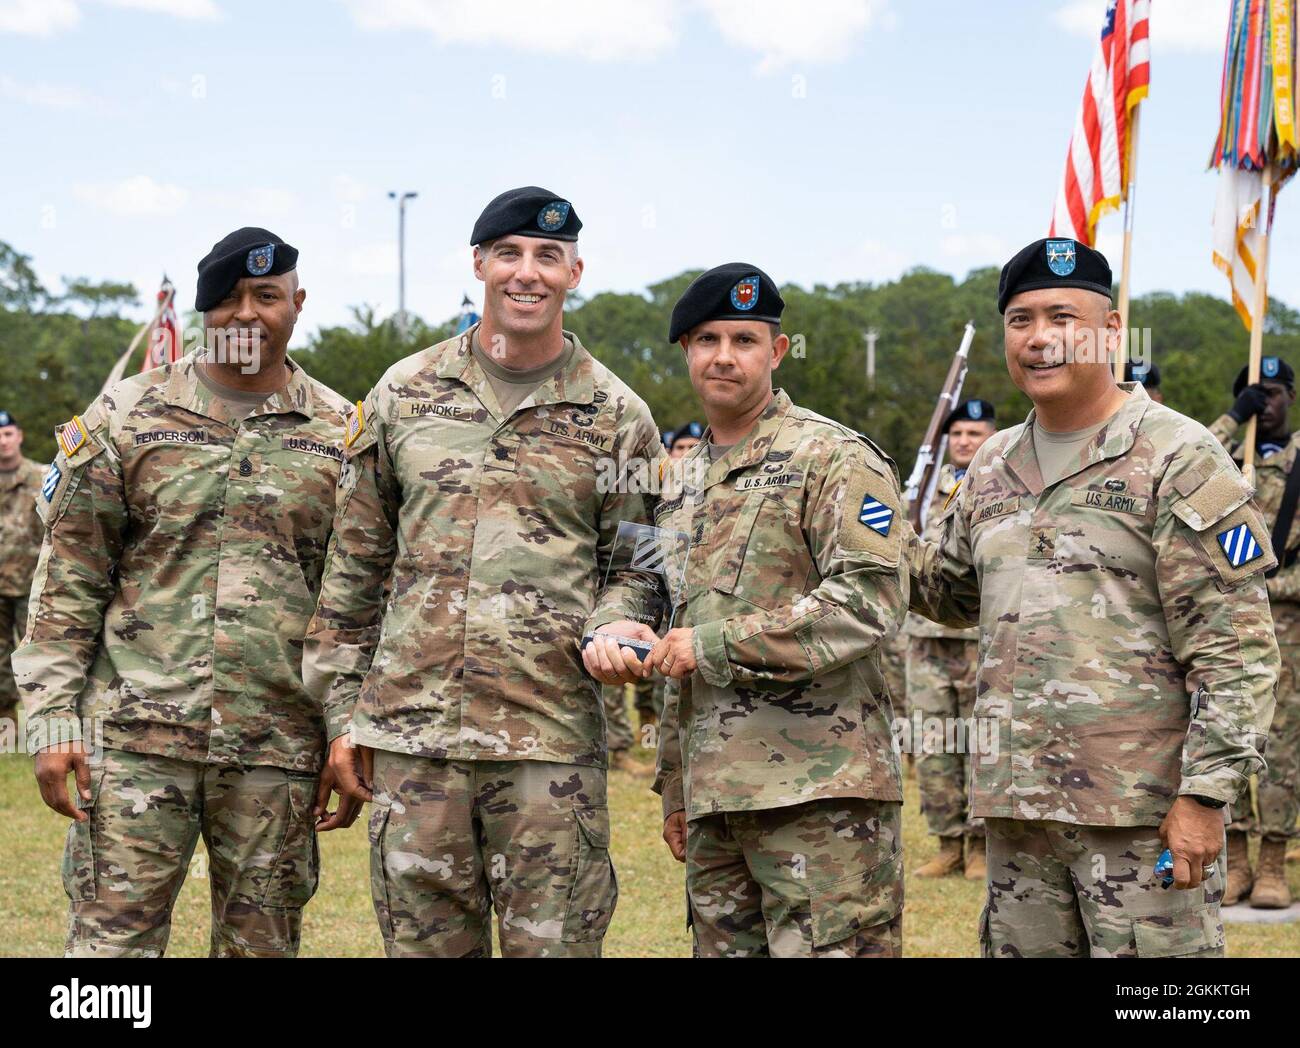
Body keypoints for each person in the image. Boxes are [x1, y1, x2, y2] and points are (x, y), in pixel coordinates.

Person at [304, 186, 664, 957]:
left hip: (550, 748)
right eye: (509, 253)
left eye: (547, 257)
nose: (526, 273)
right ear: (479, 264)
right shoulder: (402, 395)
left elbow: (641, 565)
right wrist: (343, 716)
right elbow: (354, 572)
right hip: (413, 745)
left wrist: (615, 622)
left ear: (575, 272)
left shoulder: (617, 415)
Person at [908, 237, 1278, 957]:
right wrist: (859, 521)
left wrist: (1205, 798)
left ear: (1110, 331)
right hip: (1019, 819)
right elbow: (945, 591)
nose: (1040, 339)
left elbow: (1236, 650)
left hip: (1141, 819)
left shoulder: (1177, 454)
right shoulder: (993, 462)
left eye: (1062, 317)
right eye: (1020, 321)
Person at [14, 228, 356, 956]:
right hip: (133, 742)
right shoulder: (125, 417)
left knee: (260, 947)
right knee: (111, 954)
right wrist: (49, 719)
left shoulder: (343, 433)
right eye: (228, 299)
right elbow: (67, 581)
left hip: (276, 746)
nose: (248, 315)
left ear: (298, 303)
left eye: (267, 297)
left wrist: (345, 728)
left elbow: (355, 599)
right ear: (202, 311)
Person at [649, 263, 908, 957]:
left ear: (778, 351)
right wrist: (676, 785)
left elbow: (867, 600)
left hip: (818, 797)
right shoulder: (678, 484)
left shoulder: (834, 458)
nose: (724, 356)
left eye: (744, 339)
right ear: (686, 351)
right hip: (717, 800)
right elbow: (671, 625)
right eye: (706, 340)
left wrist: (714, 645)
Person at [1207, 357, 1300, 908]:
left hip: (1286, 627)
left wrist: (1272, 587)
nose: (1263, 404)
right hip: (1224, 626)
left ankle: (1273, 864)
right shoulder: (1217, 457)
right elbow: (1166, 470)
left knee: (1282, 744)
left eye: (1272, 393)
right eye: (1251, 396)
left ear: (1290, 396)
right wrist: (1228, 418)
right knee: (1227, 735)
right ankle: (1235, 859)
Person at [904, 398, 997, 880]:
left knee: (981, 741)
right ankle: (947, 842)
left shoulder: (1000, 487)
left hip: (979, 637)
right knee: (934, 741)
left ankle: (982, 844)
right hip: (926, 638)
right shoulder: (922, 490)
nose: (963, 441)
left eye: (973, 434)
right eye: (956, 434)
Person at [0, 411, 44, 729]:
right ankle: (5, 723)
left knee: (37, 653)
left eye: (8, 434)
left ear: (20, 436)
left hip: (32, 583)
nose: (3, 442)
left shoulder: (42, 477)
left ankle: (45, 721)